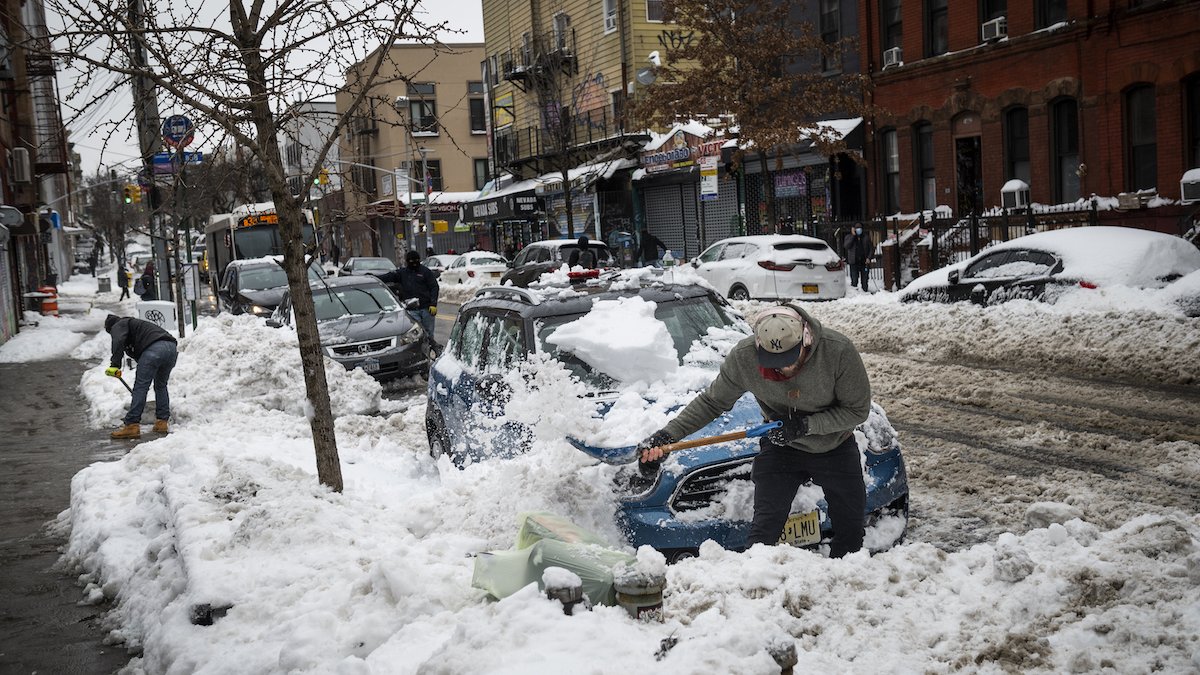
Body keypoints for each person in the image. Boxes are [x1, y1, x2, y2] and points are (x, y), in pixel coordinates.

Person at [637, 304, 871, 559]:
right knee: (762, 535)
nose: (784, 369)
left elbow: (857, 410)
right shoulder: (744, 357)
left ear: (806, 339)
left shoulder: (837, 351)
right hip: (782, 448)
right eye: (775, 363)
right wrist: (667, 436)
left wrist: (807, 425)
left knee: (851, 534)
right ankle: (757, 581)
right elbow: (712, 402)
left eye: (790, 359)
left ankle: (843, 580)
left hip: (834, 447)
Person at [104, 314, 179, 439]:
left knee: (141, 387)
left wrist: (115, 365)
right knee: (161, 386)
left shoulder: (118, 324)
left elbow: (118, 341)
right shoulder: (134, 326)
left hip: (154, 348)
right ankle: (162, 423)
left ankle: (131, 425)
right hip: (171, 348)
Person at [375, 250, 441, 352]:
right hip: (412, 310)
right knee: (417, 333)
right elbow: (388, 277)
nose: (414, 263)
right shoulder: (403, 273)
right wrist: (374, 278)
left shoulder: (425, 272)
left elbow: (434, 287)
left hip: (427, 308)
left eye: (416, 261)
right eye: (411, 261)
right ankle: (421, 352)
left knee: (428, 332)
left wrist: (433, 304)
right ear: (407, 262)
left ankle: (430, 349)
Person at [842, 223, 873, 293]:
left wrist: (869, 258)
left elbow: (871, 249)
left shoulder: (866, 237)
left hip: (864, 262)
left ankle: (865, 292)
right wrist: (853, 236)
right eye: (857, 228)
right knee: (854, 280)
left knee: (865, 280)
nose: (859, 230)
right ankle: (854, 293)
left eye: (860, 228)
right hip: (854, 262)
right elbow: (846, 246)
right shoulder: (849, 237)